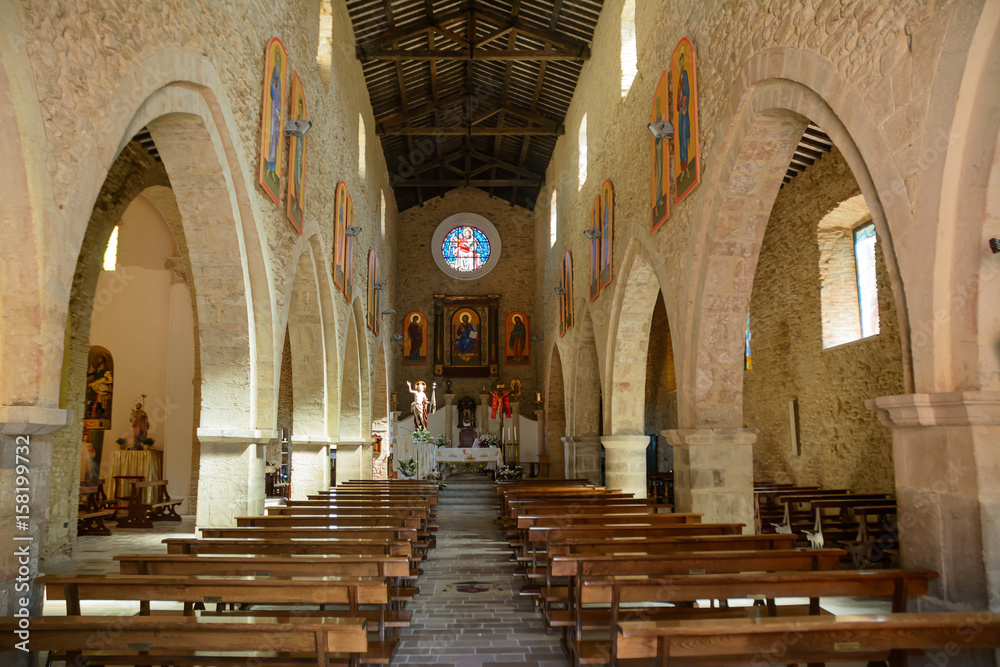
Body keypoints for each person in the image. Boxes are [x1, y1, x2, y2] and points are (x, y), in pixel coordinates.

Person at [676, 50, 692, 182]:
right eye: (679, 62)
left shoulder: (685, 75)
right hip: (680, 111)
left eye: (682, 62)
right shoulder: (679, 76)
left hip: (684, 111)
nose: (681, 64)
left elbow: (687, 91)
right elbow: (678, 95)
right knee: (680, 138)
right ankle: (682, 165)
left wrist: (684, 107)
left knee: (684, 135)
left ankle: (686, 163)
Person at [267, 49, 283, 176]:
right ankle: (270, 164)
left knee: (275, 139)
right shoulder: (273, 81)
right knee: (271, 136)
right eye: (276, 71)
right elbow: (273, 95)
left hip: (277, 115)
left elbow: (280, 99)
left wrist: (279, 113)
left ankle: (273, 167)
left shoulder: (280, 84)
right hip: (273, 111)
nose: (277, 72)